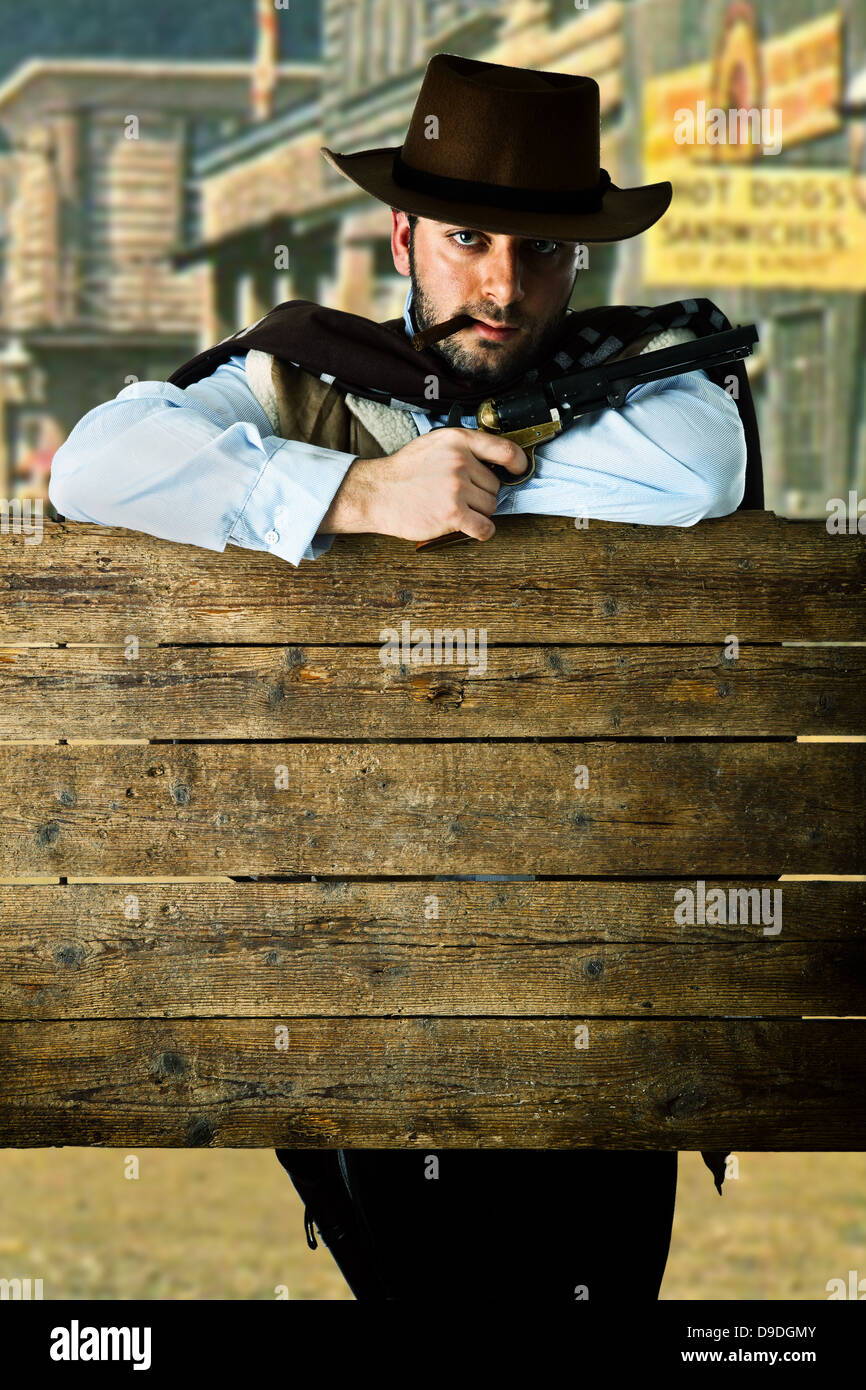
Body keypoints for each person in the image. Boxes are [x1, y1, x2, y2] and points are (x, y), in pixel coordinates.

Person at [49, 53, 759, 1301]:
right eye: (467, 238)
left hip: (589, 960)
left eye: (539, 248)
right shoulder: (300, 377)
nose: (501, 283)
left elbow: (694, 473)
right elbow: (94, 464)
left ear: (578, 258)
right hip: (353, 966)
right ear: (400, 236)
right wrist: (356, 490)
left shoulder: (653, 381)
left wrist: (444, 475)